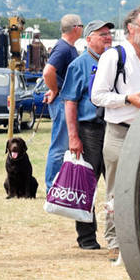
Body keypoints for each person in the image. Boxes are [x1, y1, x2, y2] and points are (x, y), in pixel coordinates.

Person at [91, 5, 140, 252]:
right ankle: (114, 241)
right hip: (120, 132)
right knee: (117, 191)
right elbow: (97, 96)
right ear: (131, 29)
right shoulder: (114, 57)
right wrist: (127, 99)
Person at [61, 20, 114, 250]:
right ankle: (86, 237)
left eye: (109, 34)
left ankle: (118, 232)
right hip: (89, 129)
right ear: (89, 39)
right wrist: (73, 137)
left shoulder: (114, 62)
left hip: (113, 127)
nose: (108, 38)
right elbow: (70, 102)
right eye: (102, 34)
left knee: (116, 182)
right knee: (86, 185)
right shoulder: (79, 65)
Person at [41, 14, 83, 189]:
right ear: (75, 28)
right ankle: (52, 186)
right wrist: (54, 90)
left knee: (63, 145)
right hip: (61, 102)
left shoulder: (68, 47)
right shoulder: (63, 48)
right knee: (59, 145)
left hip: (64, 101)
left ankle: (60, 183)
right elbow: (48, 71)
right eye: (81, 25)